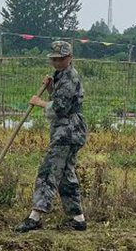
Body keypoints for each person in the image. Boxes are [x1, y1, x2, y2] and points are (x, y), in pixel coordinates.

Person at [14, 40, 88, 233]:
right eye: (54, 59)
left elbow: (61, 108)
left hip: (68, 131)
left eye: (60, 59)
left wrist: (40, 102)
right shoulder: (61, 76)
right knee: (65, 175)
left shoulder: (70, 77)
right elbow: (61, 99)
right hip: (68, 131)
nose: (56, 62)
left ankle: (35, 216)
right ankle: (78, 219)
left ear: (69, 58)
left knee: (48, 171)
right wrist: (50, 90)